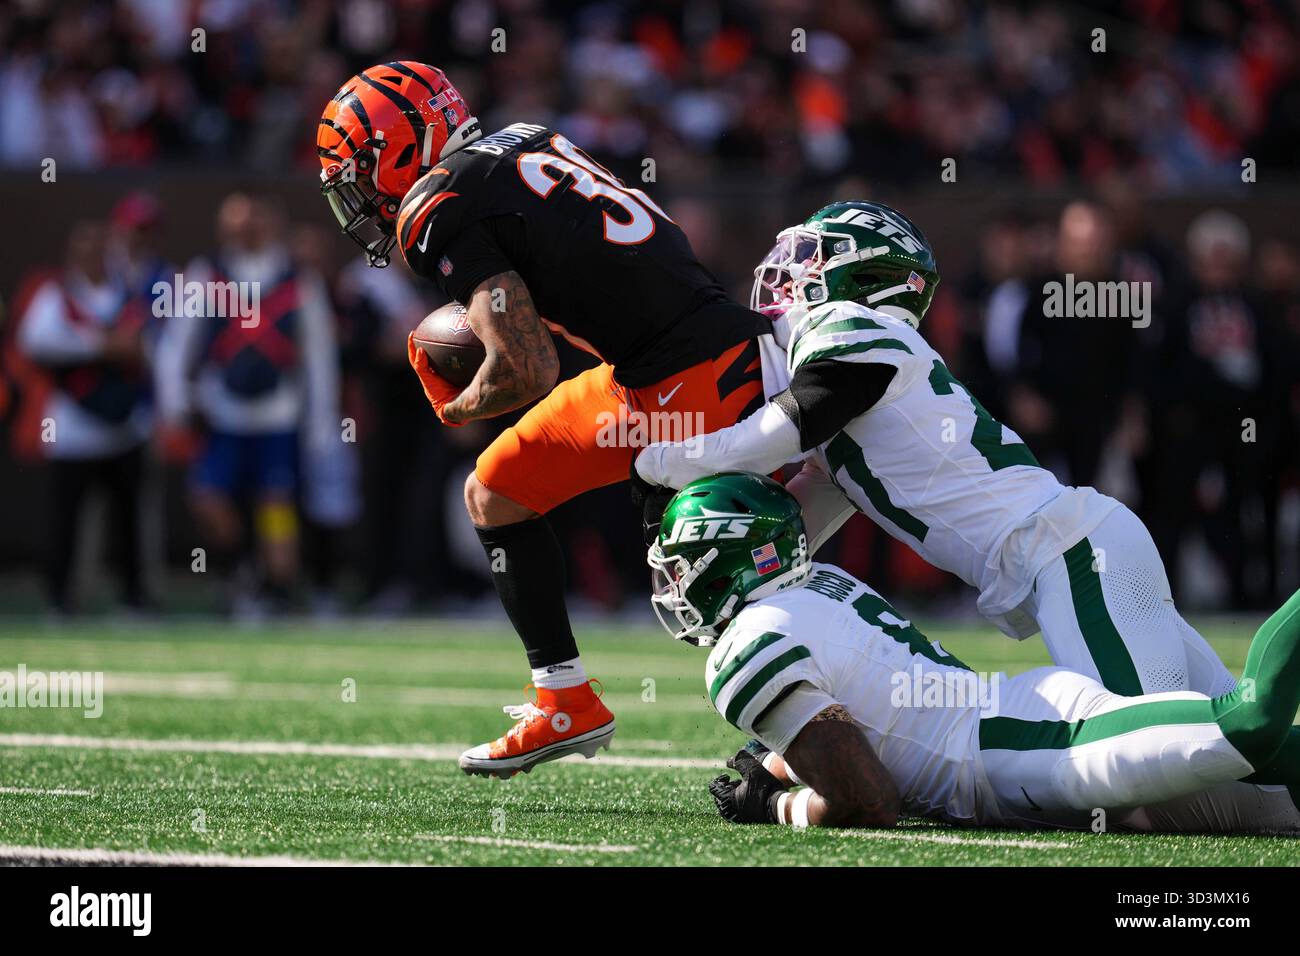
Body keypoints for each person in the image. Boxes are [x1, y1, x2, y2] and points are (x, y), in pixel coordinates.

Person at [634, 199, 1300, 806]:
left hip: (1069, 556)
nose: (791, 272)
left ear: (863, 276)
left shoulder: (849, 327)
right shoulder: (860, 408)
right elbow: (789, 533)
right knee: (1219, 752)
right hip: (1076, 552)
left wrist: (658, 457)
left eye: (813, 256)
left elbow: (781, 428)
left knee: (1169, 775)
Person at [316, 61, 769, 776]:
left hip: (698, 377)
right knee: (497, 487)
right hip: (651, 367)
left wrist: (455, 404)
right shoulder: (525, 139)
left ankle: (813, 723)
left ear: (400, 146)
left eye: (361, 171)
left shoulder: (438, 203)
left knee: (708, 571)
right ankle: (565, 700)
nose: (361, 194)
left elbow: (527, 367)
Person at [650, 473, 1300, 832]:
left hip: (1024, 748)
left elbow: (871, 799)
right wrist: (789, 762)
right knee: (1272, 797)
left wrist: (778, 805)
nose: (674, 586)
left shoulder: (745, 645)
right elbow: (873, 718)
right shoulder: (819, 582)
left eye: (682, 566)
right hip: (1014, 729)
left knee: (1249, 719)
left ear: (725, 561)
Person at [155, 194, 339, 614]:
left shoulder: (299, 279)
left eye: (252, 220)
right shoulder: (207, 275)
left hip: (279, 414)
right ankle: (242, 572)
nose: (244, 229)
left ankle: (280, 590)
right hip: (222, 413)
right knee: (209, 499)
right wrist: (176, 403)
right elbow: (177, 345)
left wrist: (322, 420)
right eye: (235, 222)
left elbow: (319, 356)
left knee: (277, 505)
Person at [16, 220, 152, 612]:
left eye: (98, 248)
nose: (92, 256)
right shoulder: (55, 295)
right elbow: (35, 341)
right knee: (65, 519)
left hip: (125, 427)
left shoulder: (126, 293)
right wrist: (99, 346)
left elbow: (148, 345)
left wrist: (126, 349)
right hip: (74, 428)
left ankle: (134, 597)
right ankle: (59, 597)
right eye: (84, 249)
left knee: (128, 520)